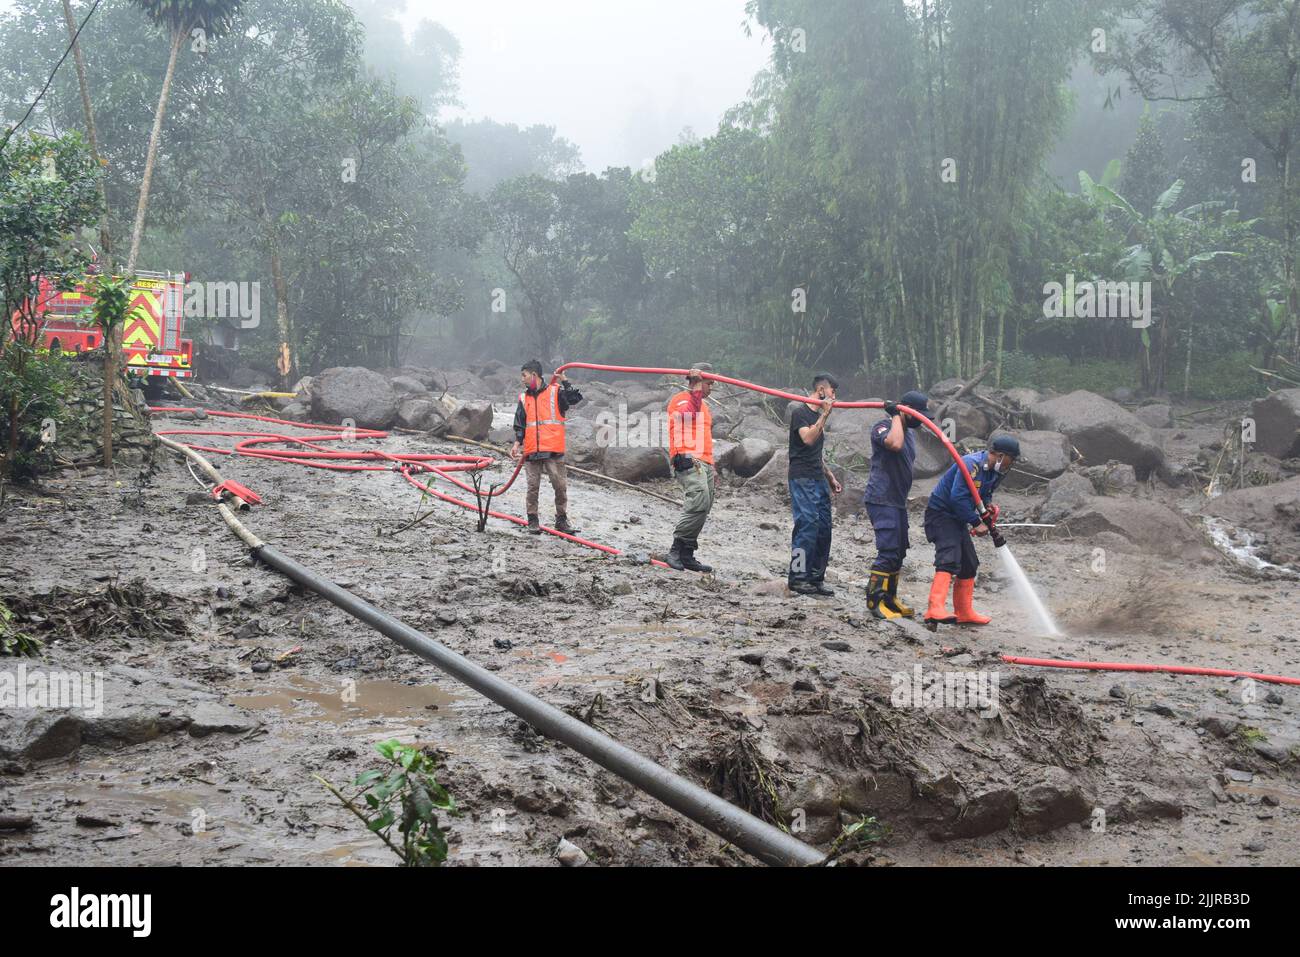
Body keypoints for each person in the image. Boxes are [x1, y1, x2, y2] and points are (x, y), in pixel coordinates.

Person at [922, 434, 1020, 626]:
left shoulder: (995, 472)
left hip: (958, 518)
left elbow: (984, 493)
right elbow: (957, 498)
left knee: (969, 563)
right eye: (1012, 459)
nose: (1012, 464)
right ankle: (934, 609)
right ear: (1000, 455)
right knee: (949, 556)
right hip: (941, 515)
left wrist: (989, 507)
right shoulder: (970, 465)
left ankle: (964, 612)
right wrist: (976, 522)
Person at [863, 390, 930, 619]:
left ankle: (890, 599)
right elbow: (894, 444)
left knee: (899, 552)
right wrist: (894, 415)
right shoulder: (882, 427)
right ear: (904, 409)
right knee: (888, 550)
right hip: (881, 498)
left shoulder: (908, 432)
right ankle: (875, 602)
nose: (920, 419)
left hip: (898, 501)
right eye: (917, 414)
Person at [510, 360, 583, 535]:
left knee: (559, 486)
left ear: (534, 375)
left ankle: (561, 520)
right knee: (532, 486)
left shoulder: (555, 392)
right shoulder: (523, 398)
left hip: (552, 449)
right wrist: (516, 443)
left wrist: (564, 381)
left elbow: (575, 399)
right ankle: (533, 520)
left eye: (524, 375)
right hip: (532, 450)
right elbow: (520, 424)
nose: (522, 379)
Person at [787, 373, 843, 596]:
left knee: (823, 528)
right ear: (821, 390)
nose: (834, 396)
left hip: (817, 478)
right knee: (807, 524)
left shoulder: (817, 416)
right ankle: (798, 576)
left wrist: (830, 476)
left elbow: (815, 454)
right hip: (801, 477)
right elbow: (808, 439)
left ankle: (815, 578)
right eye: (832, 392)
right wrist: (825, 416)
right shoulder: (800, 413)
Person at [664, 363, 717, 572]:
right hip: (686, 457)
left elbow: (705, 437)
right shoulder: (682, 400)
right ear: (698, 382)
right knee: (698, 500)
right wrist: (695, 388)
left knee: (705, 505)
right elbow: (687, 417)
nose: (711, 388)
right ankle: (675, 550)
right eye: (709, 384)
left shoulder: (705, 406)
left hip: (704, 461)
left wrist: (712, 465)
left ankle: (687, 553)